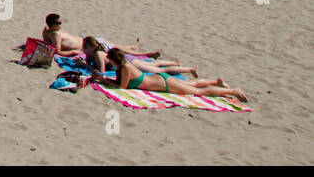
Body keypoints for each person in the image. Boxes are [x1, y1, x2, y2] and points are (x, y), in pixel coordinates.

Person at [104, 49, 249, 103]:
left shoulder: (125, 68)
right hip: (160, 79)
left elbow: (121, 88)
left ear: (113, 60)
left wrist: (102, 79)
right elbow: (119, 82)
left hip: (164, 84)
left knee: (199, 92)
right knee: (192, 84)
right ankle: (215, 81)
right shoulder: (122, 67)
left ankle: (233, 91)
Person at [41, 14, 157, 58]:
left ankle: (131, 47)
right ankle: (145, 53)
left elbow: (46, 39)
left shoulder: (47, 31)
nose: (61, 24)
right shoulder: (55, 34)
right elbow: (58, 51)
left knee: (114, 45)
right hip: (89, 45)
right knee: (116, 49)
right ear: (53, 25)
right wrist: (73, 52)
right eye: (59, 23)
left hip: (89, 41)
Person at [80, 37, 196, 76]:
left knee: (158, 70)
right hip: (127, 61)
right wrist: (85, 62)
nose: (83, 50)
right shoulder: (92, 54)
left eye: (85, 48)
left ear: (91, 48)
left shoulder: (99, 54)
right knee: (153, 64)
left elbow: (101, 72)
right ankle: (174, 63)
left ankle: (189, 69)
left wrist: (84, 65)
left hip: (129, 63)